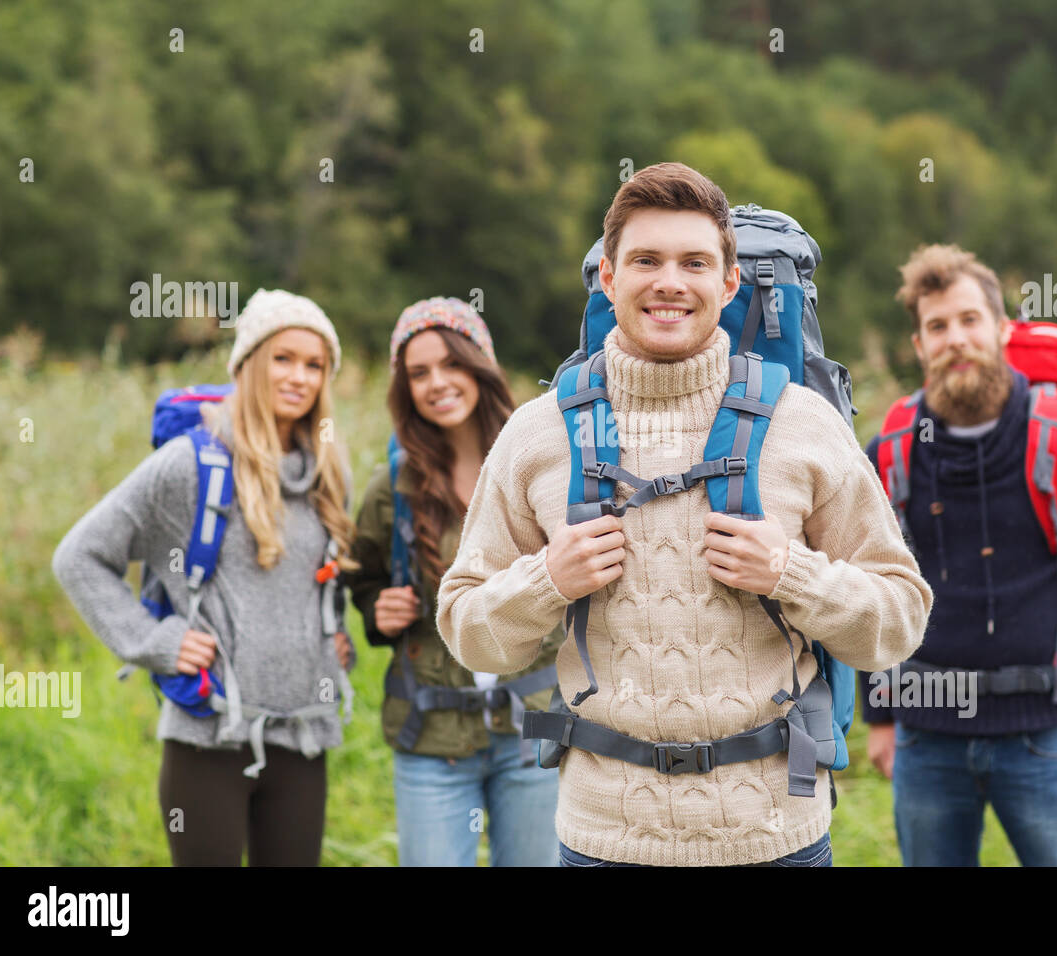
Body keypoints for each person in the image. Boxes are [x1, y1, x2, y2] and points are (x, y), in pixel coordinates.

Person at [436, 162, 932, 867]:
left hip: (774, 838)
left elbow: (900, 620)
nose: (670, 281)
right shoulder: (538, 434)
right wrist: (548, 579)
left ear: (728, 284)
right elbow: (468, 632)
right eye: (646, 260)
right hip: (604, 840)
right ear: (608, 278)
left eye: (694, 262)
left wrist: (791, 573)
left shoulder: (803, 424)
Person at [861, 244, 1057, 866]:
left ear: (1001, 330)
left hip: (1043, 738)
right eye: (938, 326)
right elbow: (868, 587)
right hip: (925, 738)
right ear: (918, 345)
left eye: (970, 320)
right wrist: (880, 714)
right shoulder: (889, 452)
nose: (956, 339)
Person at [53, 289, 356, 866]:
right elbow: (79, 555)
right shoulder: (191, 464)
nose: (299, 376)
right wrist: (155, 642)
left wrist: (331, 639)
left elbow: (314, 581)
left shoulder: (325, 470)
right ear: (247, 363)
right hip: (208, 737)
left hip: (303, 734)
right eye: (282, 358)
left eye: (314, 365)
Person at [345, 297, 562, 867]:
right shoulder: (392, 487)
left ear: (480, 366)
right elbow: (361, 576)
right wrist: (376, 609)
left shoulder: (539, 466)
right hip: (431, 737)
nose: (437, 383)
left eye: (451, 363)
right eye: (418, 373)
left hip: (532, 730)